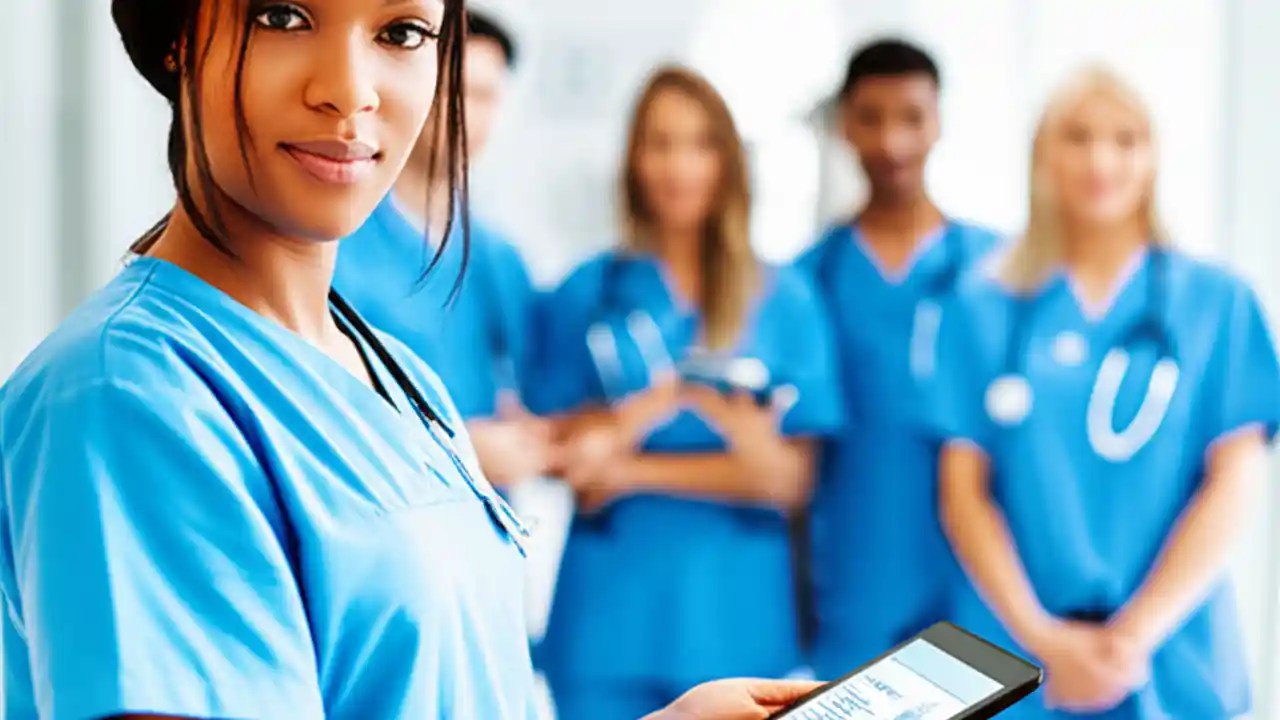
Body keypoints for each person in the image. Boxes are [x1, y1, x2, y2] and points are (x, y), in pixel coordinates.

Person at [0, 1, 822, 718]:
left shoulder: (400, 379)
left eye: (401, 31)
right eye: (281, 16)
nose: (351, 90)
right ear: (178, 34)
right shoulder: (128, 401)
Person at [930, 66, 1280, 719]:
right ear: (1043, 155)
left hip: (1168, 657)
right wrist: (1043, 644)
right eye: (1078, 137)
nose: (1100, 159)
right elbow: (963, 494)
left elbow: (1236, 481)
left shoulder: (1217, 303)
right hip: (1015, 652)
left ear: (1153, 158)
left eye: (1125, 139)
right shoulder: (981, 305)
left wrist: (1131, 638)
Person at [529, 66, 844, 720]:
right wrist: (669, 404)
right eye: (659, 143)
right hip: (606, 623)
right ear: (634, 159)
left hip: (734, 617)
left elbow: (787, 479)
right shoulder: (588, 291)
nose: (678, 166)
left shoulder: (785, 298)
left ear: (728, 160)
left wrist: (630, 465)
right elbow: (571, 462)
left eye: (699, 144)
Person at [795, 38, 1001, 678]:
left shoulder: (998, 274)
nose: (892, 142)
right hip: (855, 576)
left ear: (939, 121)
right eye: (871, 118)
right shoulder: (808, 280)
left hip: (977, 575)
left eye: (912, 117)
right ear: (844, 125)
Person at [334, 2, 548, 490]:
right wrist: (459, 450)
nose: (465, 114)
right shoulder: (334, 242)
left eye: (486, 96)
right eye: (454, 91)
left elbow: (539, 391)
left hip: (478, 532)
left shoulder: (499, 260)